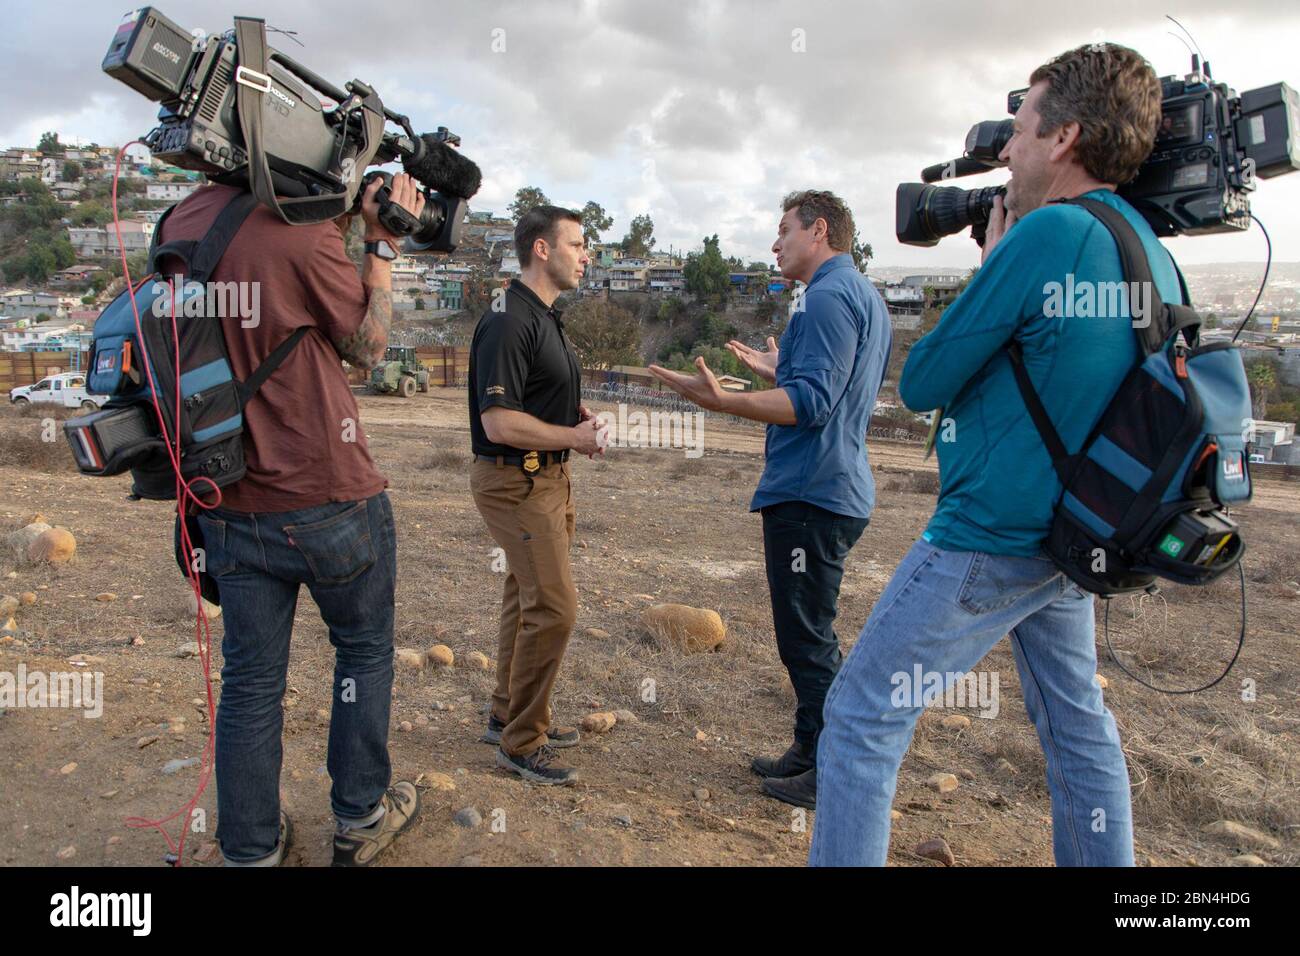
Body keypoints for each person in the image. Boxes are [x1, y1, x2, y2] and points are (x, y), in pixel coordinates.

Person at [811, 43, 1170, 866]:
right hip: (1075, 537)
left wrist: (997, 259)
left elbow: (928, 378)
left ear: (1065, 137)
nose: (1005, 151)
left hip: (990, 537)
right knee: (1078, 727)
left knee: (863, 715)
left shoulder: (1048, 236)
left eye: (1018, 129)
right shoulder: (1148, 243)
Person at [159, 173, 426, 866]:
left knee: (250, 680)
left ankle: (249, 849)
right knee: (362, 653)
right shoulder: (300, 235)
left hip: (226, 498)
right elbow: (367, 352)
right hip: (327, 493)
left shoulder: (178, 223)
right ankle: (360, 815)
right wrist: (383, 244)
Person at [649, 190, 891, 810]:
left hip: (811, 492)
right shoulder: (861, 295)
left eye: (784, 229)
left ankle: (831, 771)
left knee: (807, 638)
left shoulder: (827, 298)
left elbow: (812, 405)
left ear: (819, 231)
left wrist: (722, 401)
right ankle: (810, 751)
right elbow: (827, 390)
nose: (775, 243)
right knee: (806, 633)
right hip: (834, 487)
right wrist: (779, 371)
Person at [468, 204, 604, 786]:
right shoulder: (507, 316)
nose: (586, 255)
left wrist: (572, 415)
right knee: (555, 608)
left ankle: (507, 716)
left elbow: (533, 392)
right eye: (578, 243)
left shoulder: (543, 315)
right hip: (516, 478)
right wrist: (571, 435)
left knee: (526, 599)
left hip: (545, 476)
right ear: (542, 249)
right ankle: (523, 744)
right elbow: (499, 421)